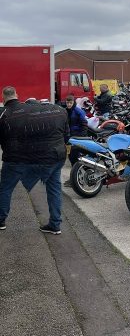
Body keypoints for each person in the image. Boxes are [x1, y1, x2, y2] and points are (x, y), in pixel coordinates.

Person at [0, 86, 69, 234]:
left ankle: (1, 220)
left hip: (17, 159)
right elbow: (66, 136)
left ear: (3, 97)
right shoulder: (59, 111)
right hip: (56, 156)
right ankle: (55, 224)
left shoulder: (6, 114)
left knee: (6, 188)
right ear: (17, 95)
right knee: (54, 189)